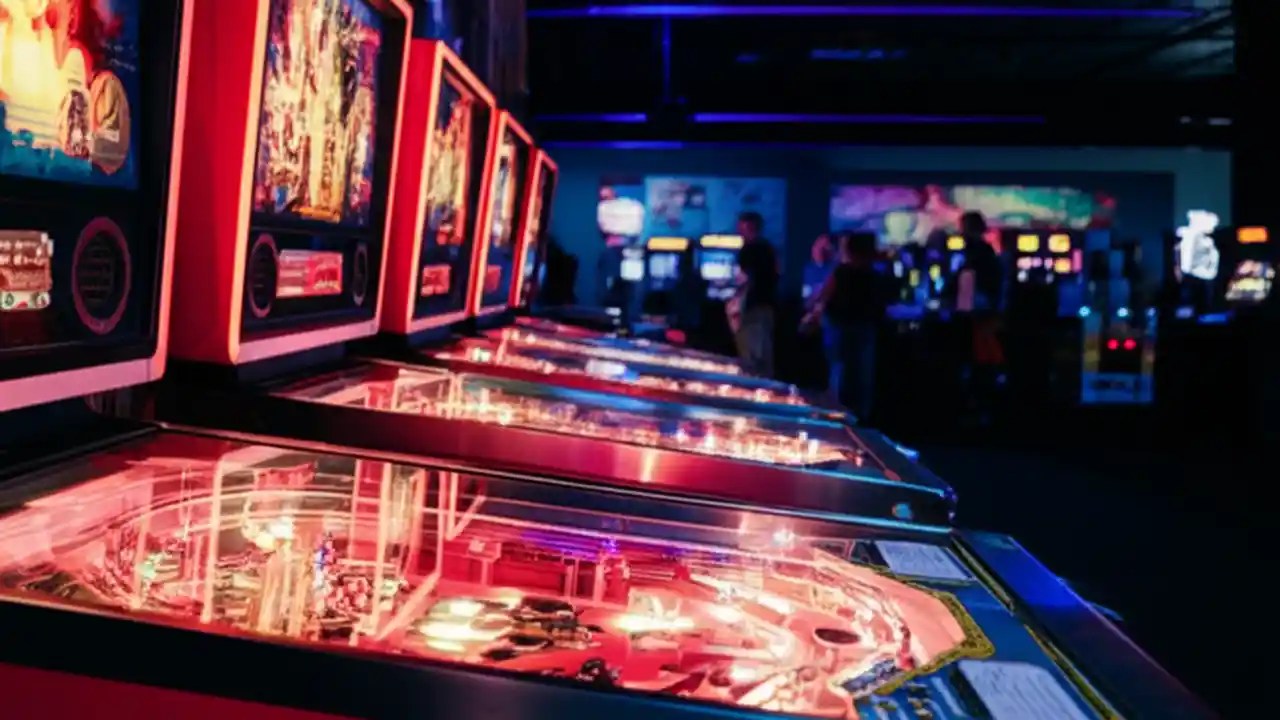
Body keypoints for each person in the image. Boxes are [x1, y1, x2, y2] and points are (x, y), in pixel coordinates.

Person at [805, 232, 887, 419]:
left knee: (840, 372)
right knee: (861, 377)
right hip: (863, 330)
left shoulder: (841, 273)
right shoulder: (873, 275)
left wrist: (813, 315)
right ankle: (858, 419)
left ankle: (837, 416)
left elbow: (822, 297)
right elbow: (881, 305)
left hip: (839, 329)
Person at [729, 211, 779, 376]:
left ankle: (752, 386)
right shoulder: (769, 248)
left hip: (751, 308)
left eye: (741, 227)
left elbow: (746, 280)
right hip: (767, 306)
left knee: (751, 355)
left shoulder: (749, 249)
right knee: (764, 352)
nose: (738, 230)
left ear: (748, 227)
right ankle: (765, 385)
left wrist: (736, 304)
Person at [802, 234, 835, 307]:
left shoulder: (834, 268)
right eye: (817, 246)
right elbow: (806, 297)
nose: (819, 250)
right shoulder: (808, 269)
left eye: (824, 247)